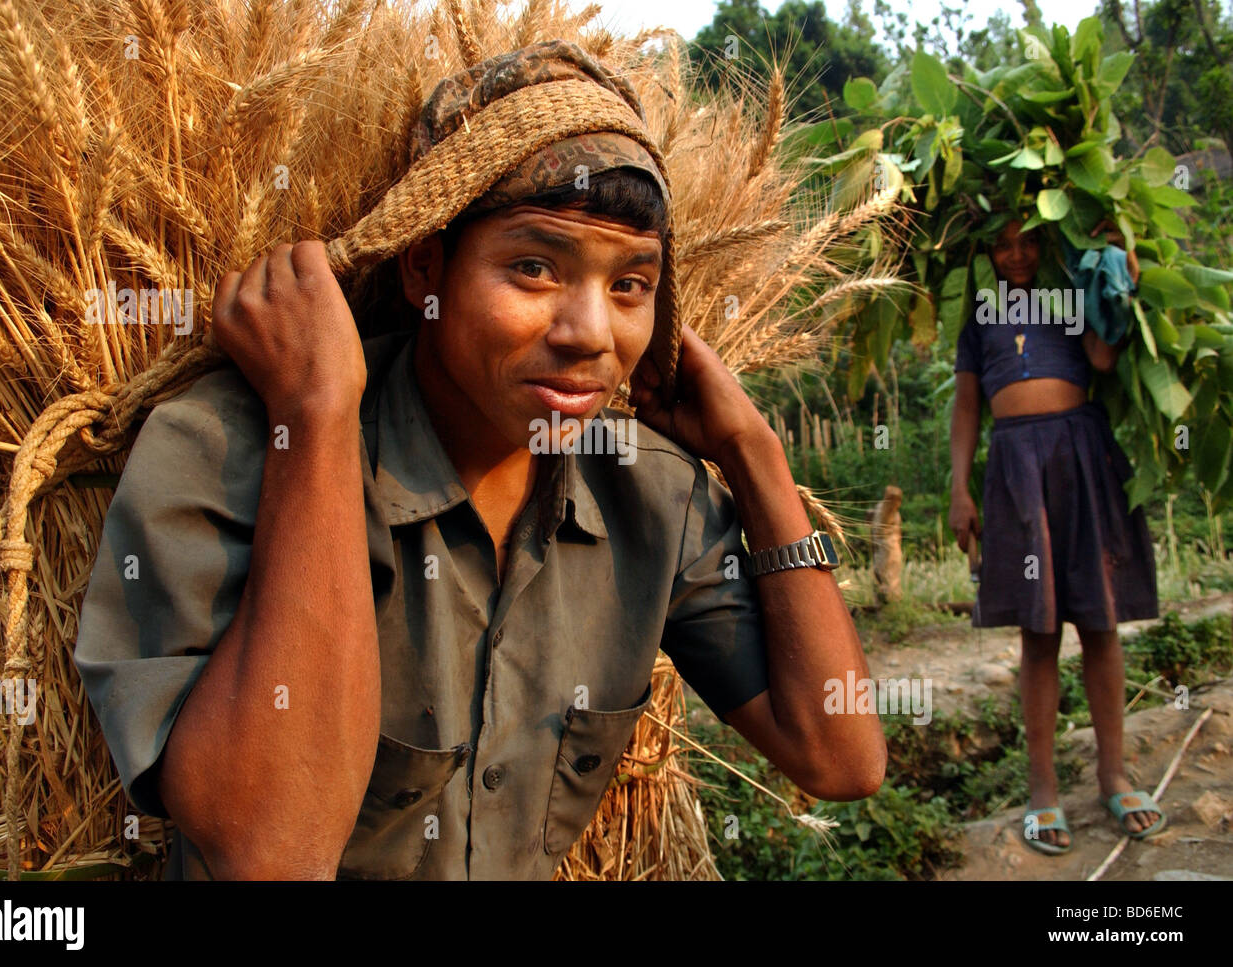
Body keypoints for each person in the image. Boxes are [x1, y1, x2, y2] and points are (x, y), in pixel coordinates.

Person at [72, 42, 886, 880]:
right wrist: (315, 417)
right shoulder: (228, 452)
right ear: (427, 264)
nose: (590, 334)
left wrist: (753, 454)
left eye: (630, 285)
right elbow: (268, 855)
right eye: (534, 268)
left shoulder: (649, 490)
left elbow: (841, 757)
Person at [949, 216, 1163, 855]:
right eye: (1002, 243)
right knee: (1037, 633)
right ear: (987, 253)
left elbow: (1102, 355)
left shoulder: (1069, 299)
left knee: (1099, 623)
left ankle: (1113, 773)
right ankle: (1042, 788)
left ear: (1050, 246)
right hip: (1017, 467)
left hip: (1081, 454)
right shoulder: (981, 316)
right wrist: (959, 489)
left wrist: (1119, 272)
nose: (1016, 254)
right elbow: (967, 406)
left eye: (1030, 240)